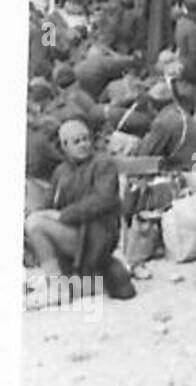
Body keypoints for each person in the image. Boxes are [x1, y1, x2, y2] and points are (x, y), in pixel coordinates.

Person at [24, 119, 129, 303]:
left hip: (97, 235)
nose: (83, 145)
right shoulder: (61, 171)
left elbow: (102, 200)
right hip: (75, 232)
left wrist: (62, 215)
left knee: (36, 225)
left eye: (86, 139)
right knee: (32, 220)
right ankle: (71, 283)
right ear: (64, 146)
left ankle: (59, 289)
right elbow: (49, 204)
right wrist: (37, 211)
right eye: (77, 142)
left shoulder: (103, 164)